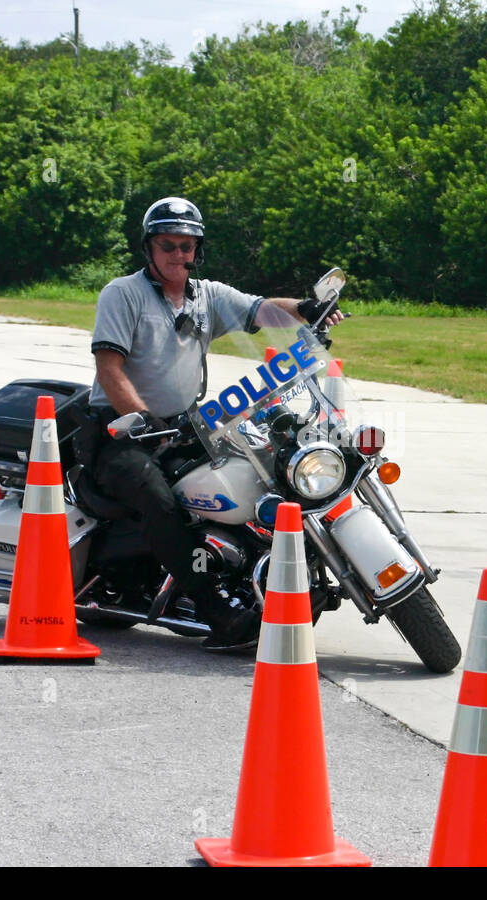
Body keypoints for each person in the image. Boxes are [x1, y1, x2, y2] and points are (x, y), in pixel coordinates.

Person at [85, 196, 342, 652]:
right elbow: (110, 368)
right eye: (168, 244)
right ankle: (216, 609)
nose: (178, 254)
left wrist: (305, 308)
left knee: (261, 469)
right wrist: (141, 420)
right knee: (160, 504)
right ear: (149, 246)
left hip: (186, 427)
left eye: (187, 246)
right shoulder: (122, 294)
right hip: (121, 431)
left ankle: (266, 573)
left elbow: (262, 311)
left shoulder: (207, 295)